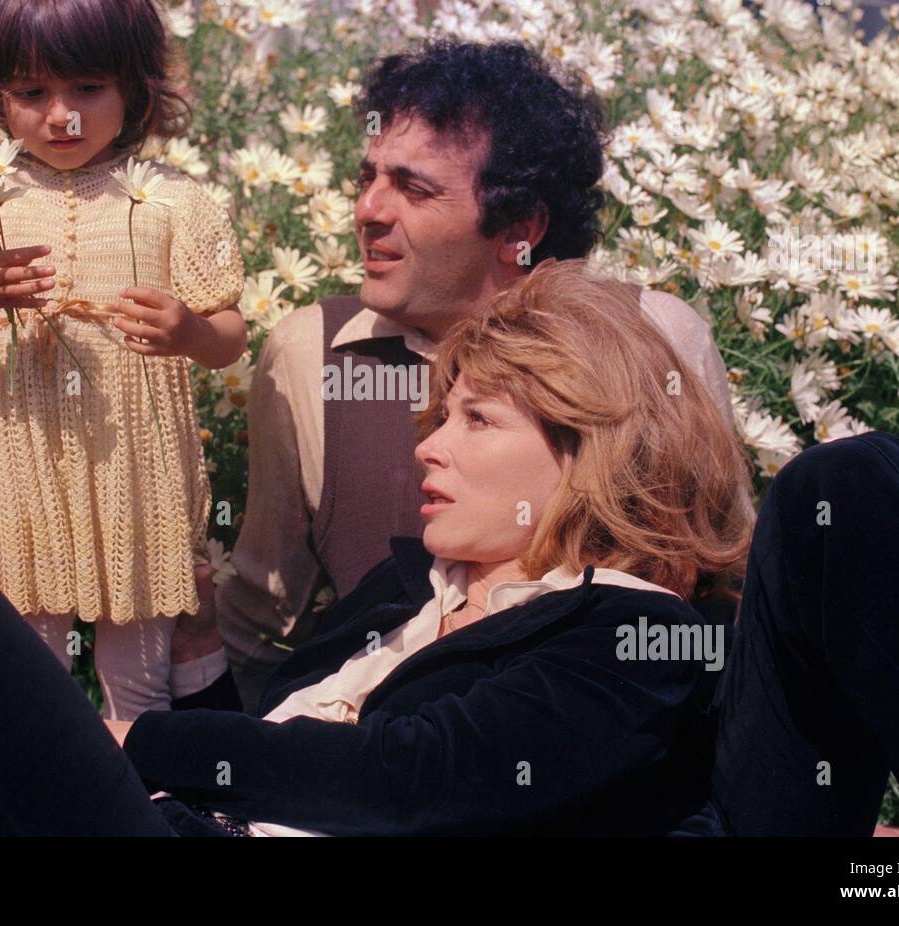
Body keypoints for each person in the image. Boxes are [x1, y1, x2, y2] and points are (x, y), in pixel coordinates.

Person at [0, 265, 899, 836]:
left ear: (581, 449)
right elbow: (273, 706)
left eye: (474, 418)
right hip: (161, 822)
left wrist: (157, 738)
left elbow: (417, 775)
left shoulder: (630, 629)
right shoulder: (411, 593)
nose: (427, 448)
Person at [210, 38, 742, 714]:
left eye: (413, 188)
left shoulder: (656, 337)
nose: (368, 210)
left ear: (520, 227)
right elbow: (263, 621)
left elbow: (718, 581)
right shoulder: (311, 354)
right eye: (367, 178)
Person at [0, 0, 245, 721]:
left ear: (135, 88)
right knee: (32, 671)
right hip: (28, 467)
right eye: (32, 90)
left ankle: (143, 798)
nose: (62, 115)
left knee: (138, 681)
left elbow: (230, 335)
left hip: (137, 467)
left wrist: (191, 330)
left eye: (89, 87)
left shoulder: (171, 200)